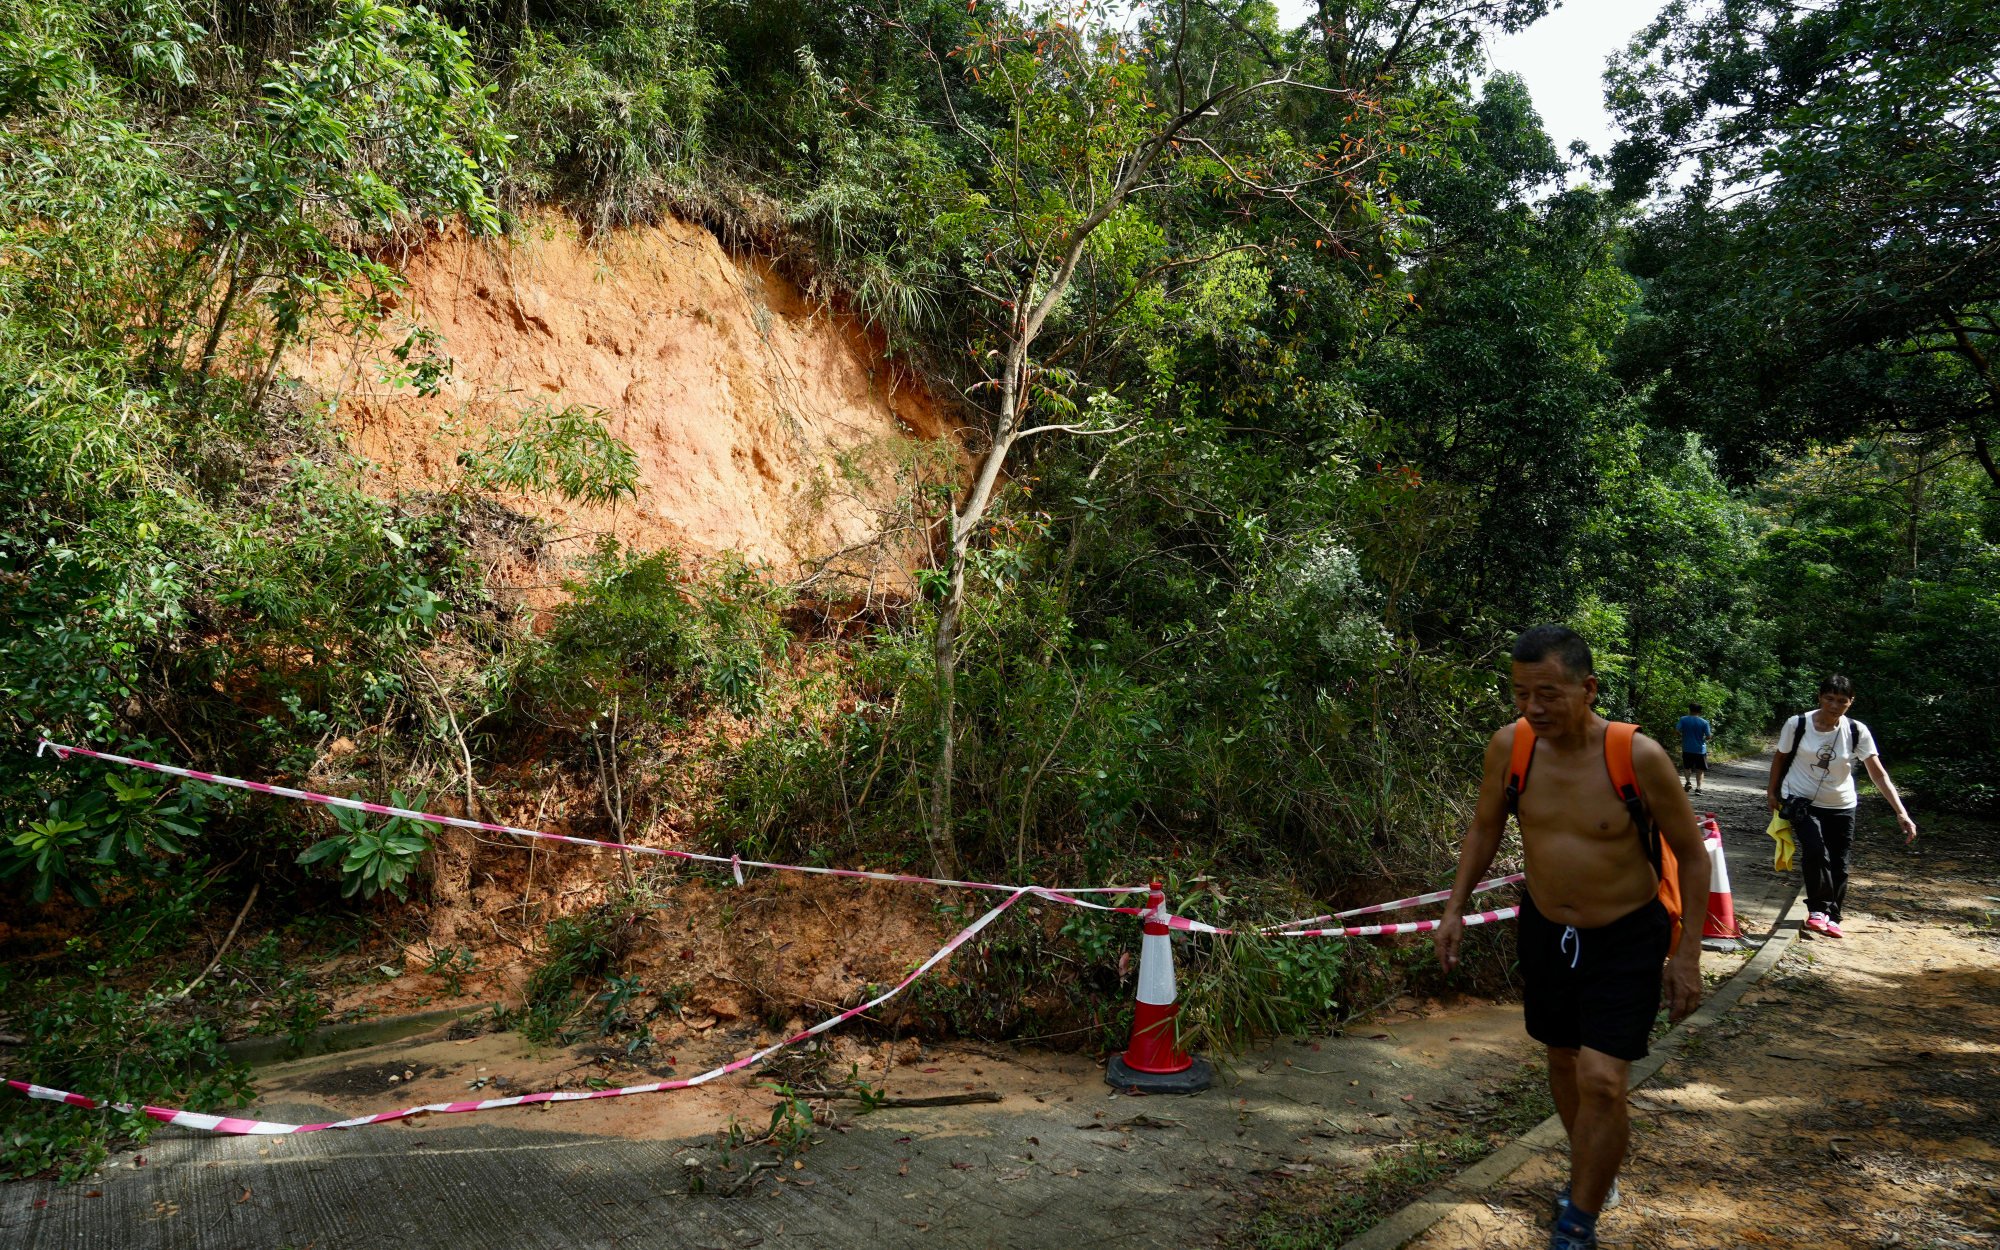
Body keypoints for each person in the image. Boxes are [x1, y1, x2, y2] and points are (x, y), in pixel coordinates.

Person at [1437, 626, 1709, 1250]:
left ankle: (1577, 1223)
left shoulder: (1638, 756)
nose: (1533, 707)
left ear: (1588, 689)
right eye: (1521, 694)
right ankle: (1591, 1169)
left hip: (1627, 933)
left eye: (1548, 694)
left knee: (1603, 1078)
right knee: (1562, 1058)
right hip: (1547, 929)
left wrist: (1687, 952)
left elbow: (1693, 856)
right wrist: (1454, 909)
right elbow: (1484, 829)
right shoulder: (1510, 747)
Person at [1766, 675, 1917, 939]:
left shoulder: (1857, 730)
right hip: (1800, 799)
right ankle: (1818, 910)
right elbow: (1780, 757)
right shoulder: (1797, 724)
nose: (1834, 706)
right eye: (1829, 699)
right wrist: (1772, 792)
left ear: (1851, 702)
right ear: (1819, 697)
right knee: (1815, 850)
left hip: (1841, 803)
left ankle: (1833, 916)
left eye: (1842, 701)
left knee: (1839, 861)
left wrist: (1900, 811)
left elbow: (1878, 774)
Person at [1675, 703, 1713, 793]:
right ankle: (1698, 788)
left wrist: (1683, 736)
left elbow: (1676, 731)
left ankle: (1688, 782)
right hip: (1700, 750)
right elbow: (1708, 736)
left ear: (1689, 710)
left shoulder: (1683, 719)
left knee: (1687, 767)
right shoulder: (1704, 722)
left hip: (1687, 748)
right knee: (1700, 769)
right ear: (1700, 711)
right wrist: (1703, 739)